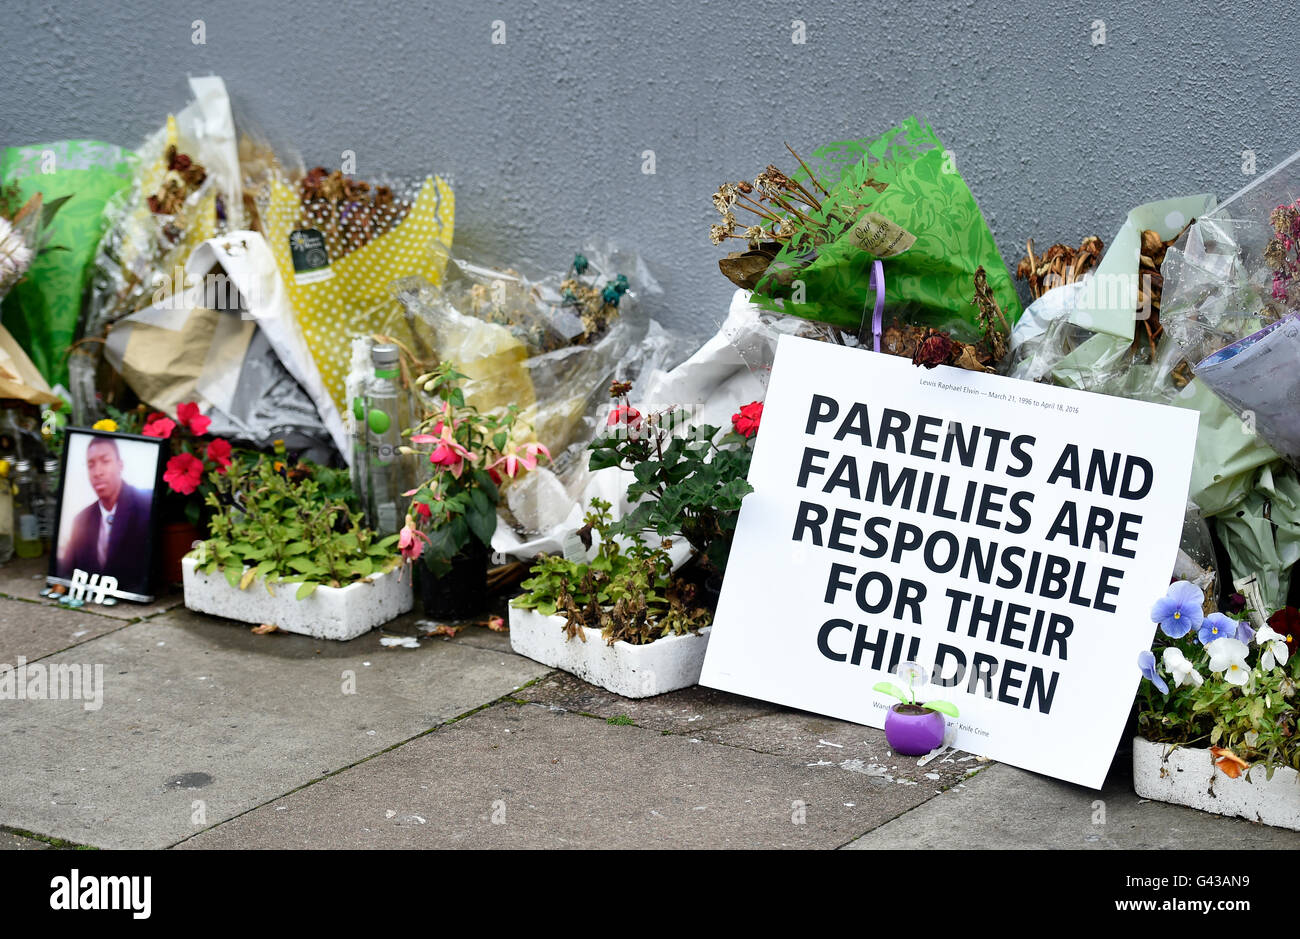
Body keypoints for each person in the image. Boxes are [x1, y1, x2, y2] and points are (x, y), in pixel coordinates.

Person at [57, 436, 154, 596]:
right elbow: (67, 574)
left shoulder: (147, 505)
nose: (98, 472)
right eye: (91, 465)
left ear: (120, 465)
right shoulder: (81, 520)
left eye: (105, 461)